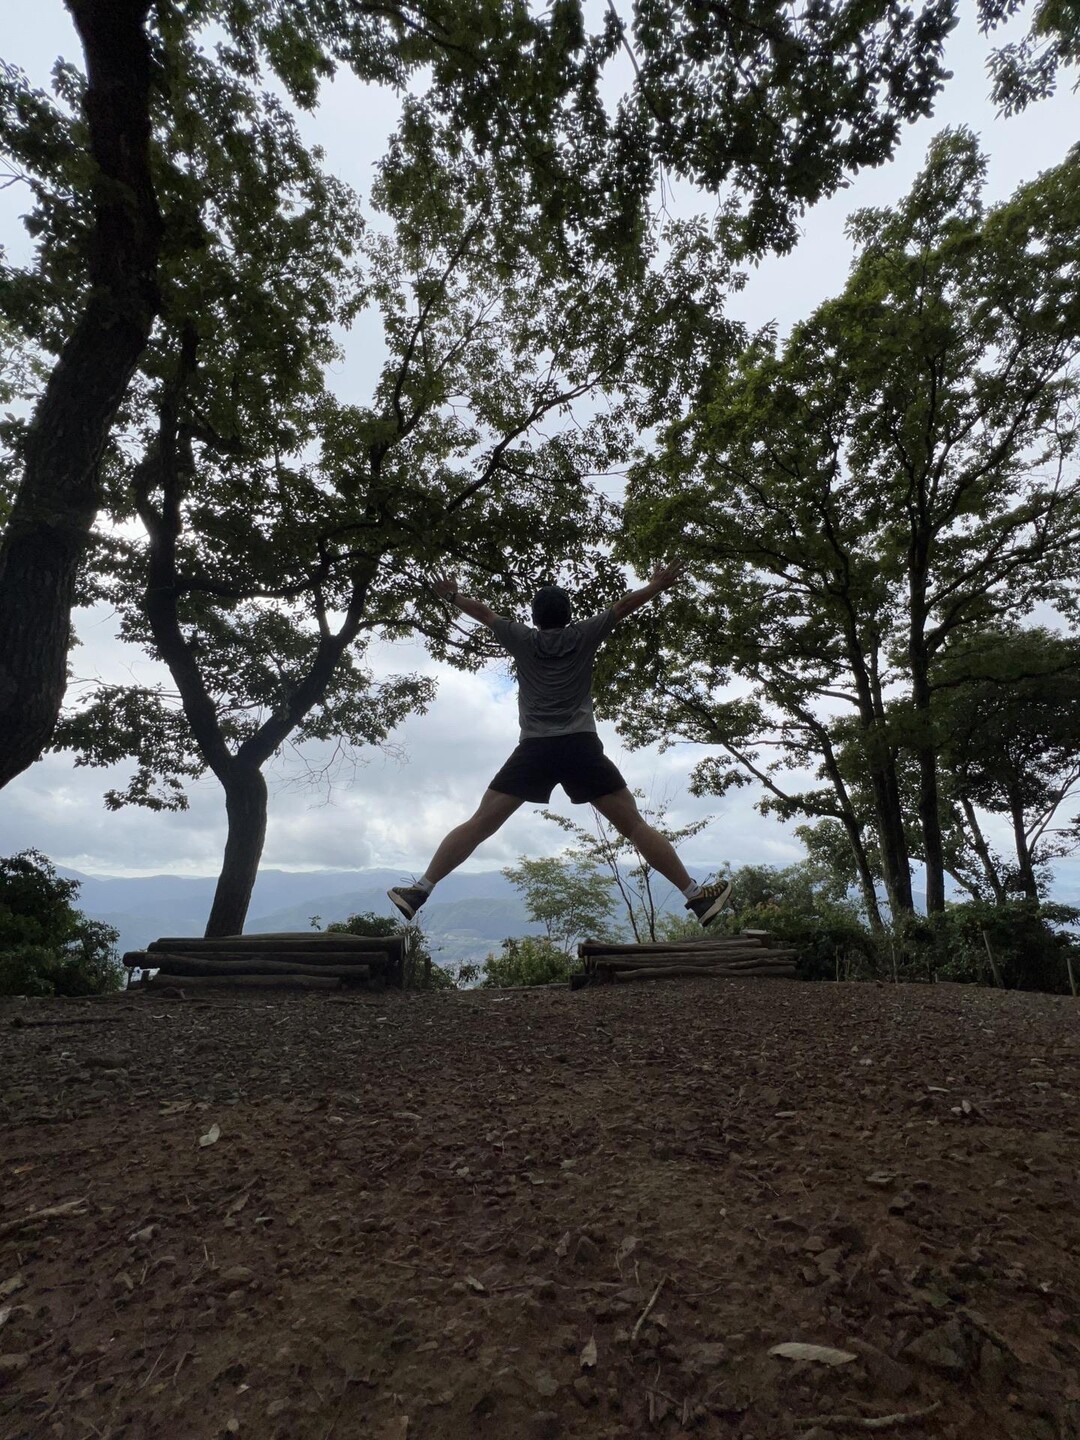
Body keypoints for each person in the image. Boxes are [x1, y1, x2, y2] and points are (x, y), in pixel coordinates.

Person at [387, 563, 731, 927]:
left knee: (480, 823)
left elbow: (484, 613)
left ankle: (420, 890)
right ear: (568, 616)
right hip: (580, 747)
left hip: (534, 749)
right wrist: (657, 585)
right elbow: (623, 606)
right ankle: (695, 897)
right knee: (633, 826)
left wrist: (452, 595)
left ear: (535, 618)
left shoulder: (520, 638)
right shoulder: (584, 634)